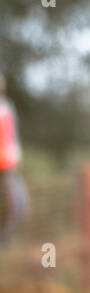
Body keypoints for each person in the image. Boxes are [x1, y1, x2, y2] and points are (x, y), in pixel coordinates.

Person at [0, 73, 28, 246]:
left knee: (18, 201)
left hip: (8, 164)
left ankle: (5, 239)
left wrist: (17, 154)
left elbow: (13, 135)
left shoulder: (7, 107)